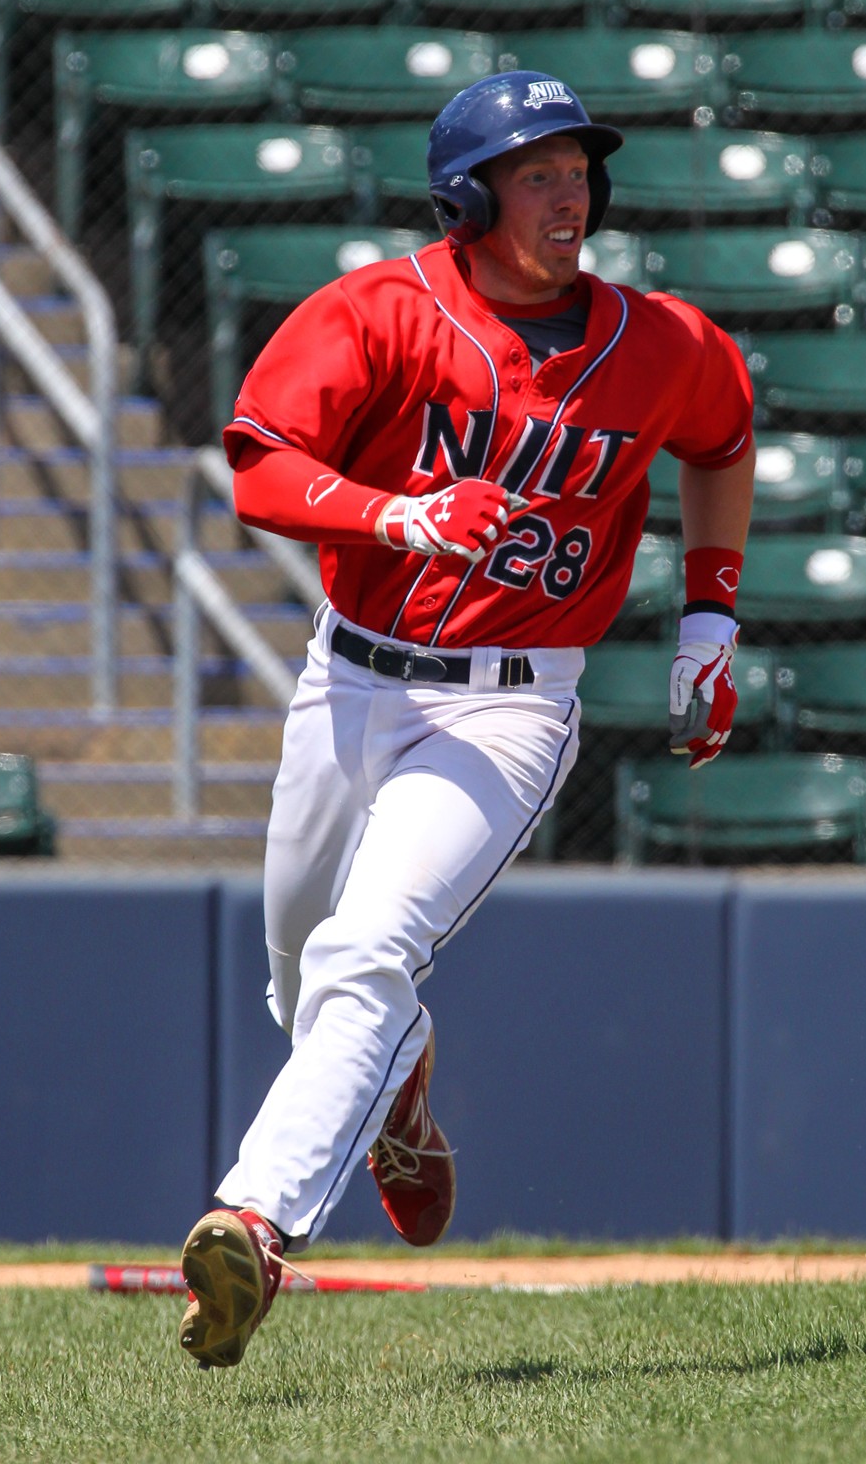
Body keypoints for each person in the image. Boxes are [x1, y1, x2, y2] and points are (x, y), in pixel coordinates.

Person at [177, 70, 756, 1370]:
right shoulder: (381, 310)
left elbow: (721, 438)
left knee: (366, 949)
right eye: (536, 172)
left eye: (578, 170)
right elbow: (261, 461)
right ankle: (405, 1093)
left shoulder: (659, 339)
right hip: (352, 677)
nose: (570, 194)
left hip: (509, 702)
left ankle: (253, 1223)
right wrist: (398, 513)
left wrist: (711, 618)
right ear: (468, 192)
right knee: (302, 980)